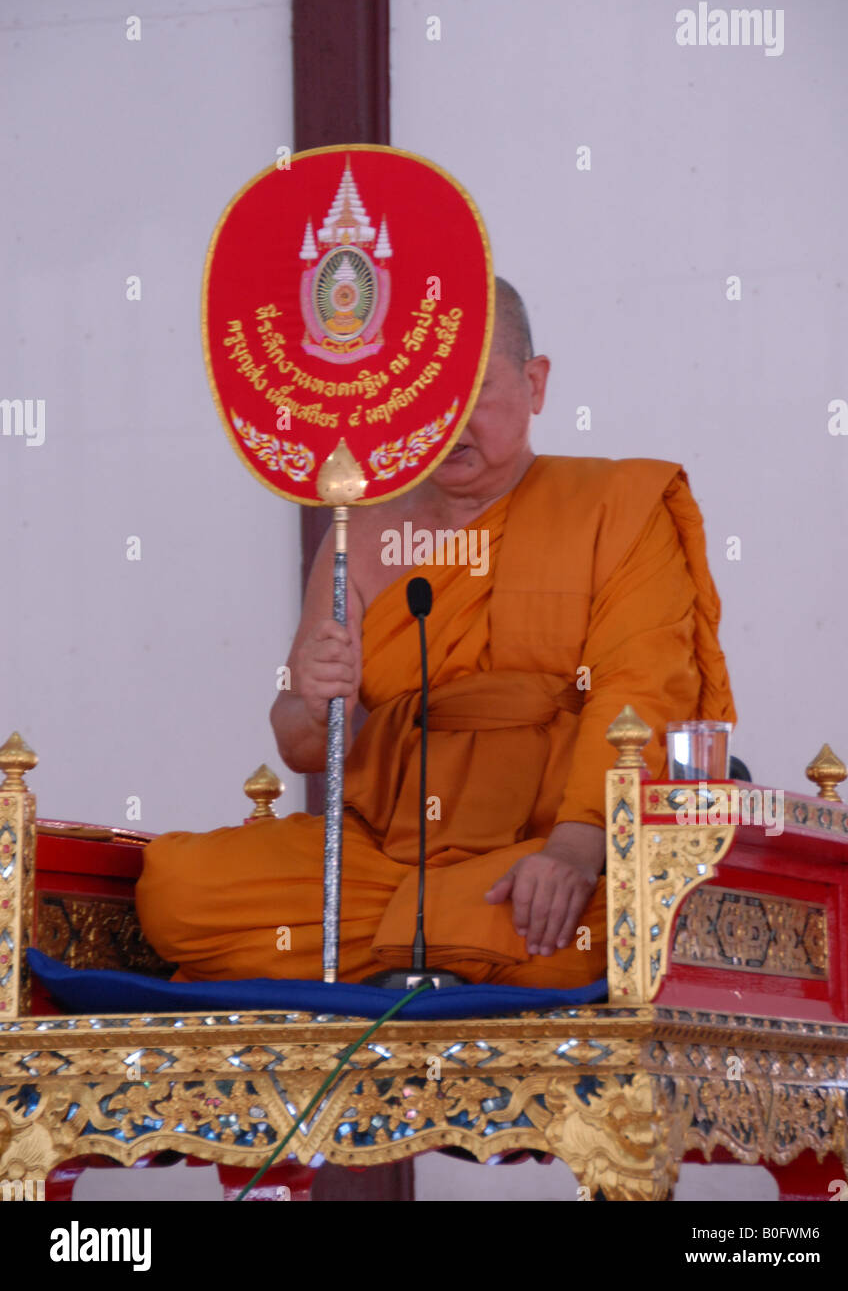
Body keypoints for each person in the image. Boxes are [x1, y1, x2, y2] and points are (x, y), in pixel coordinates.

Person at [136, 279, 735, 987]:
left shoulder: (618, 507)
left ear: (536, 384)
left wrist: (578, 848)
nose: (448, 423)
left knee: (623, 916)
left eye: (474, 392)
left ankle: (413, 944)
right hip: (387, 856)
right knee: (177, 892)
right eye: (424, 396)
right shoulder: (358, 535)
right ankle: (435, 938)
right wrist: (313, 701)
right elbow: (302, 743)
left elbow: (642, 691)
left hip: (545, 849)